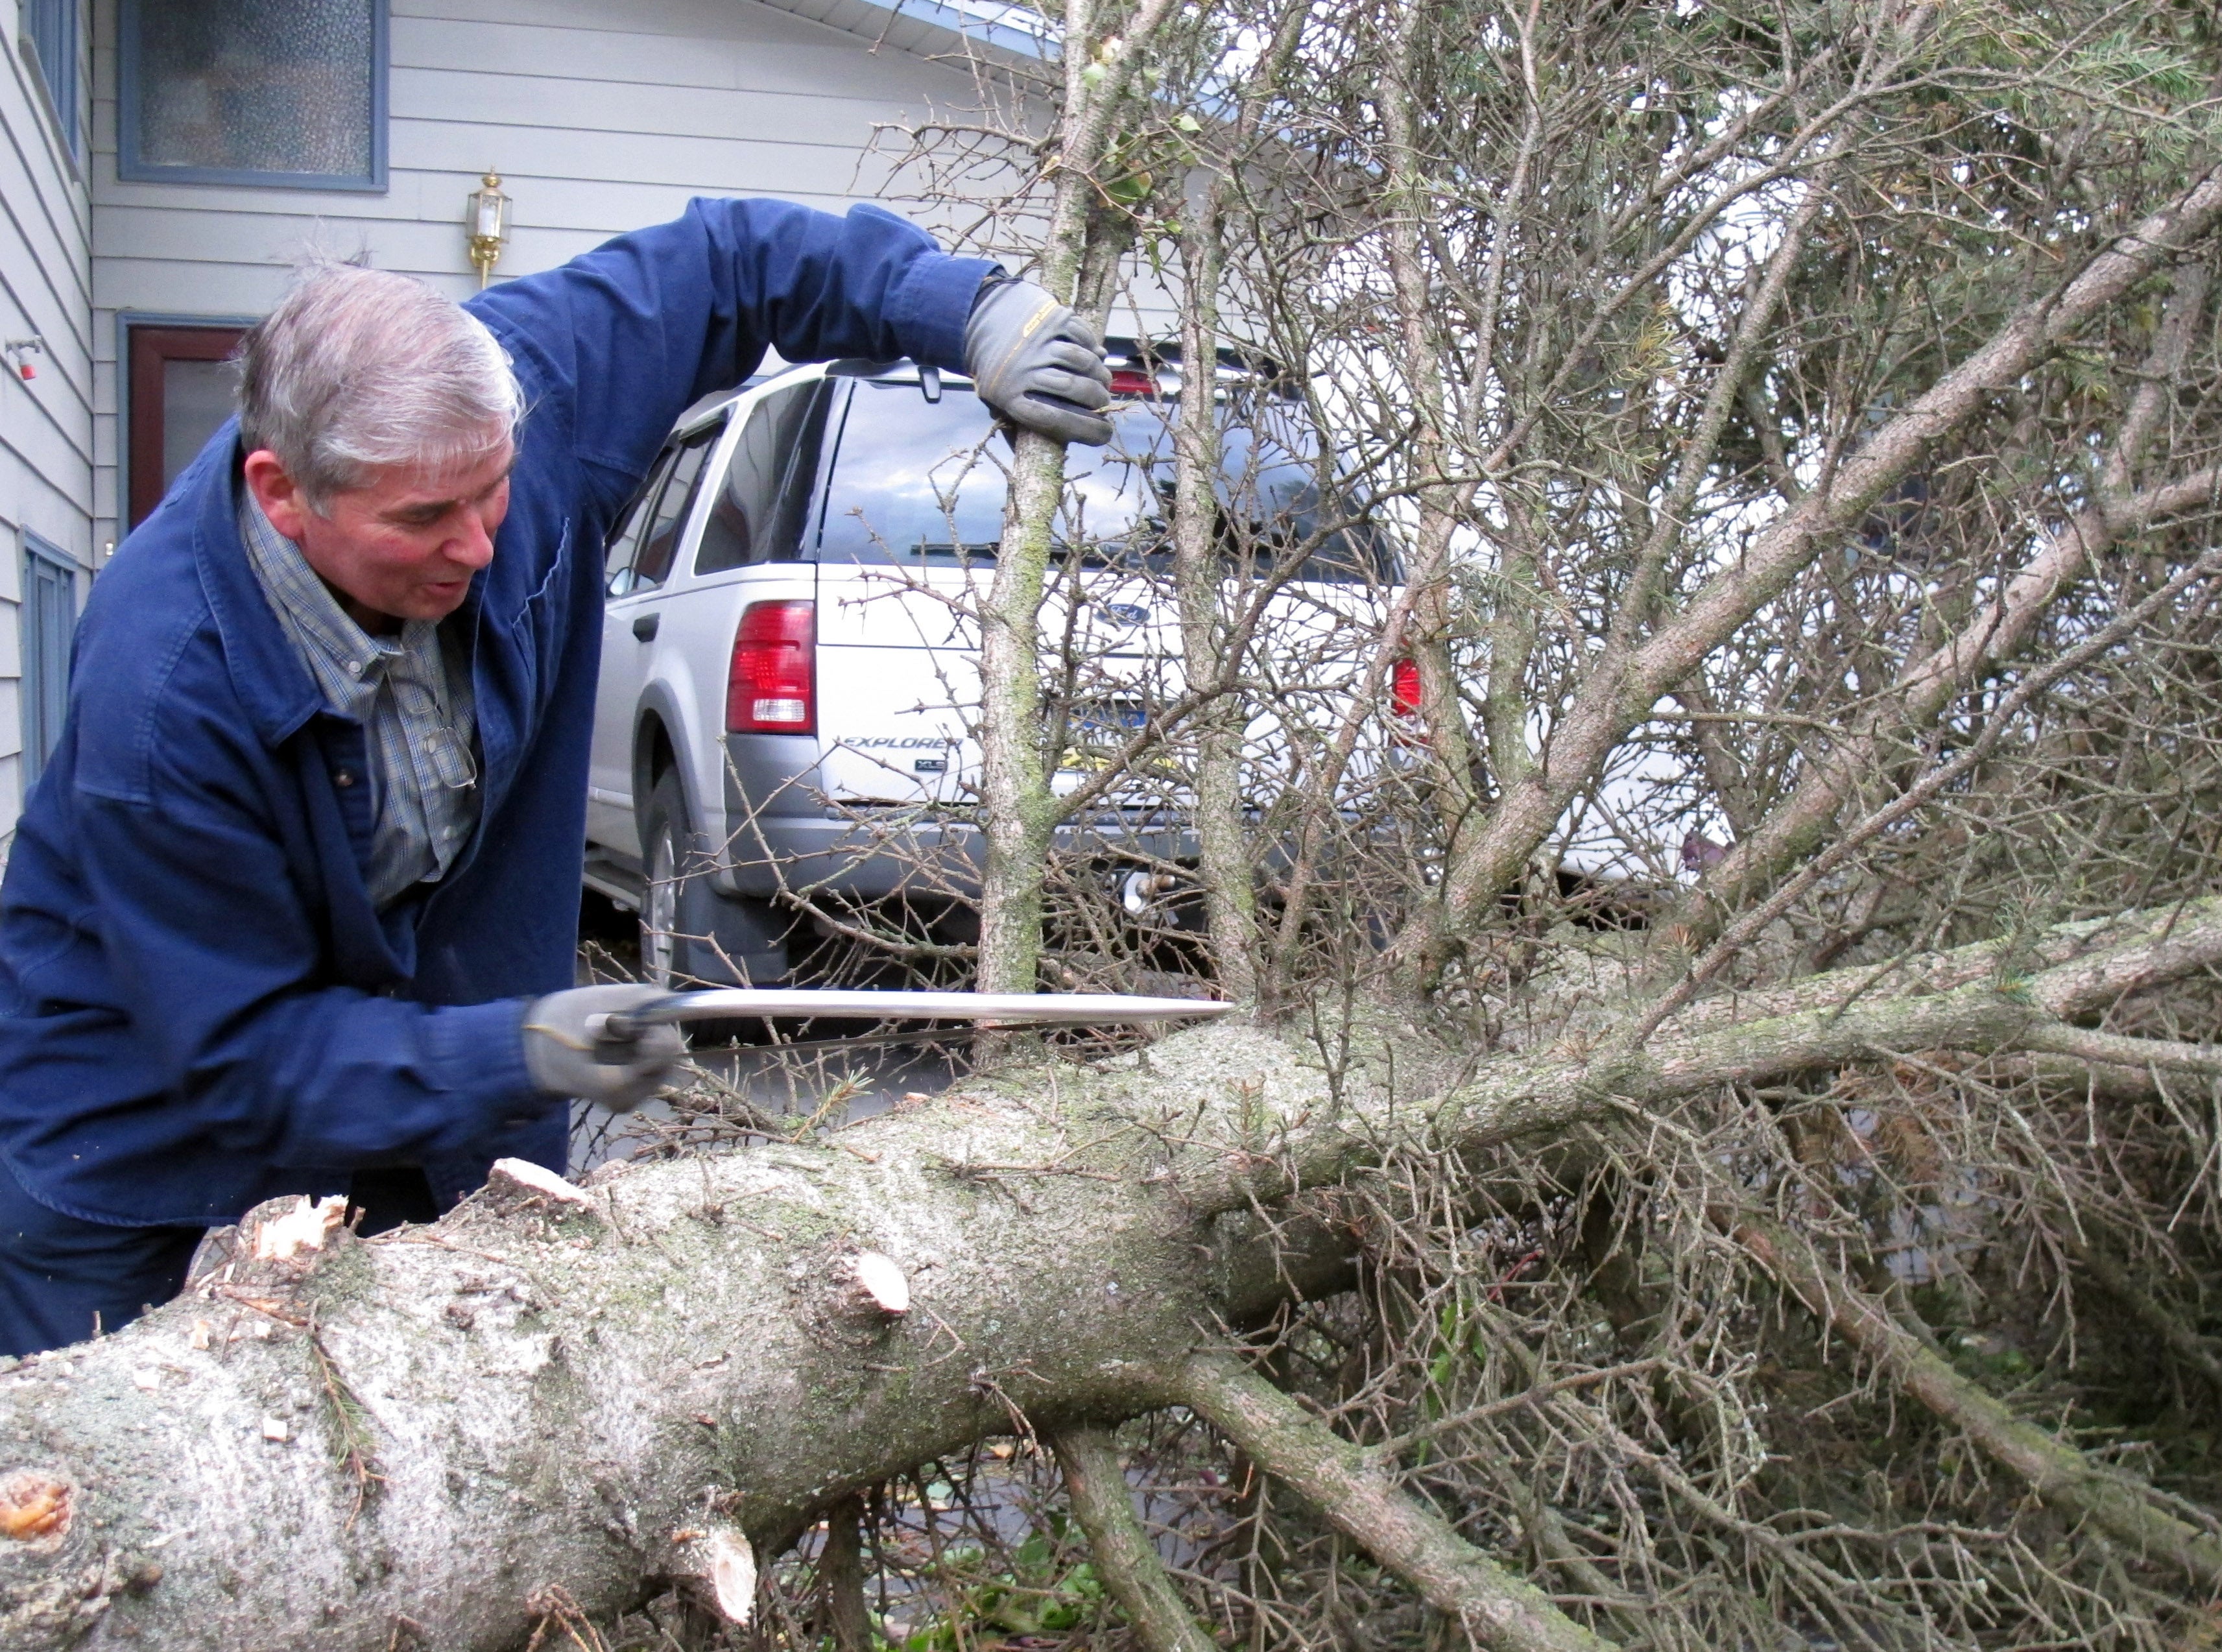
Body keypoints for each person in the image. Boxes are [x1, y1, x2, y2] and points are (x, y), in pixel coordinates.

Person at [0, 198, 1113, 1357]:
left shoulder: (523, 389)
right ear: (285, 496)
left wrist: (971, 309)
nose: (480, 547)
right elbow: (244, 1051)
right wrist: (521, 1048)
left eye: (493, 491)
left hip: (408, 1113)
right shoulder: (165, 692)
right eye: (425, 518)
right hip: (139, 1152)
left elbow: (729, 261)